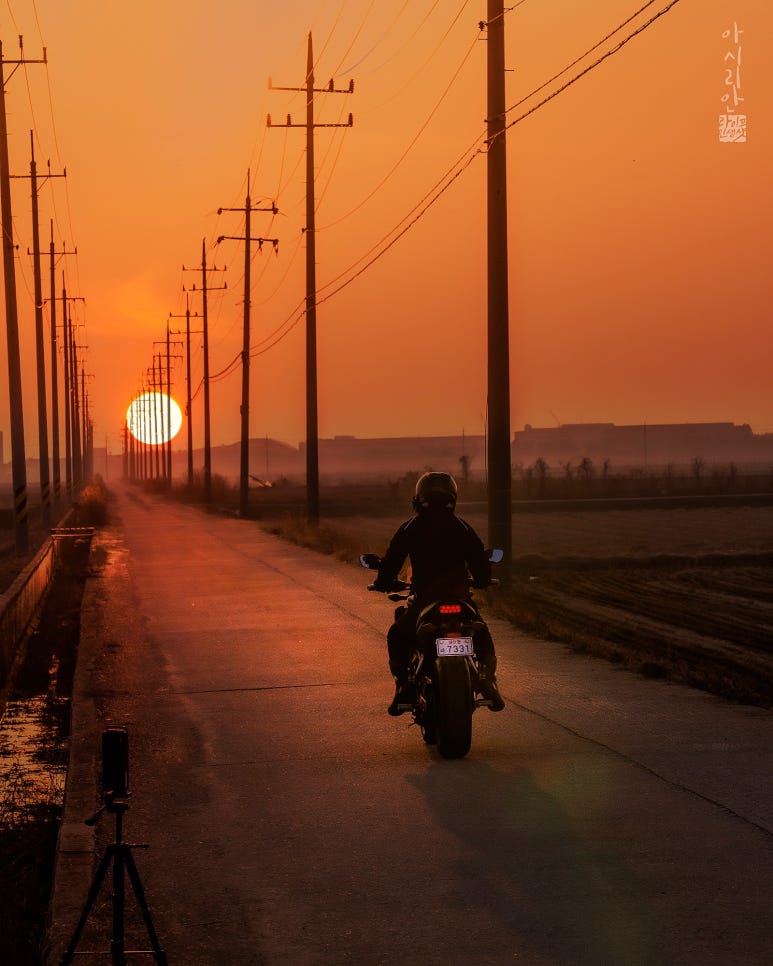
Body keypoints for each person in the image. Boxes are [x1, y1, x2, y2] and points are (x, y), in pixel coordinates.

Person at [370, 471, 505, 715]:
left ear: (419, 498)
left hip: (426, 599)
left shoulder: (410, 527)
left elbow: (392, 560)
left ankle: (404, 685)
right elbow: (479, 559)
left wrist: (384, 581)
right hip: (459, 596)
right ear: (452, 497)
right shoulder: (461, 526)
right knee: (481, 631)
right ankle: (487, 679)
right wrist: (483, 580)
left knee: (397, 634)